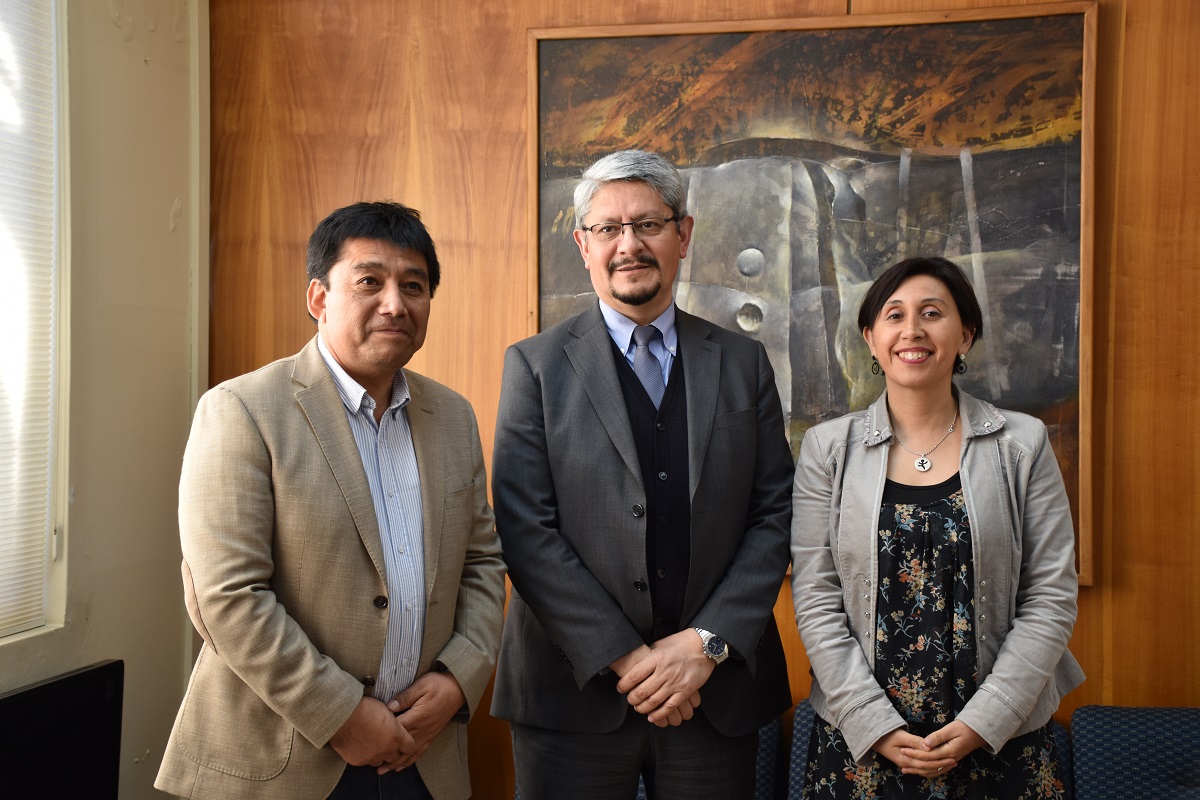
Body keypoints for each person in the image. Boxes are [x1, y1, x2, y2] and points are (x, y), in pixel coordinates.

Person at [155, 202, 506, 800]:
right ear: (318, 298)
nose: (395, 304)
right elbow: (227, 595)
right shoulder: (242, 410)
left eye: (414, 286)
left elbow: (482, 563)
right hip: (286, 756)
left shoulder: (452, 416)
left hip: (423, 754)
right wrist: (341, 713)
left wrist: (457, 678)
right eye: (369, 281)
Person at [490, 149, 795, 799]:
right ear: (583, 244)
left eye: (648, 224)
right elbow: (524, 529)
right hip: (570, 697)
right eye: (608, 228)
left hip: (714, 696)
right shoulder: (535, 368)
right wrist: (631, 661)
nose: (629, 244)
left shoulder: (743, 364)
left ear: (682, 234)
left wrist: (704, 647)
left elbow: (774, 515)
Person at [790, 256, 1084, 798]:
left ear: (965, 335)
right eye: (894, 315)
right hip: (863, 743)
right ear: (871, 339)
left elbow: (1051, 595)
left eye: (932, 313)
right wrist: (871, 722)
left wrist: (984, 723)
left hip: (1003, 737)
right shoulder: (828, 451)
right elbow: (815, 596)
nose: (912, 330)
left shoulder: (1023, 444)